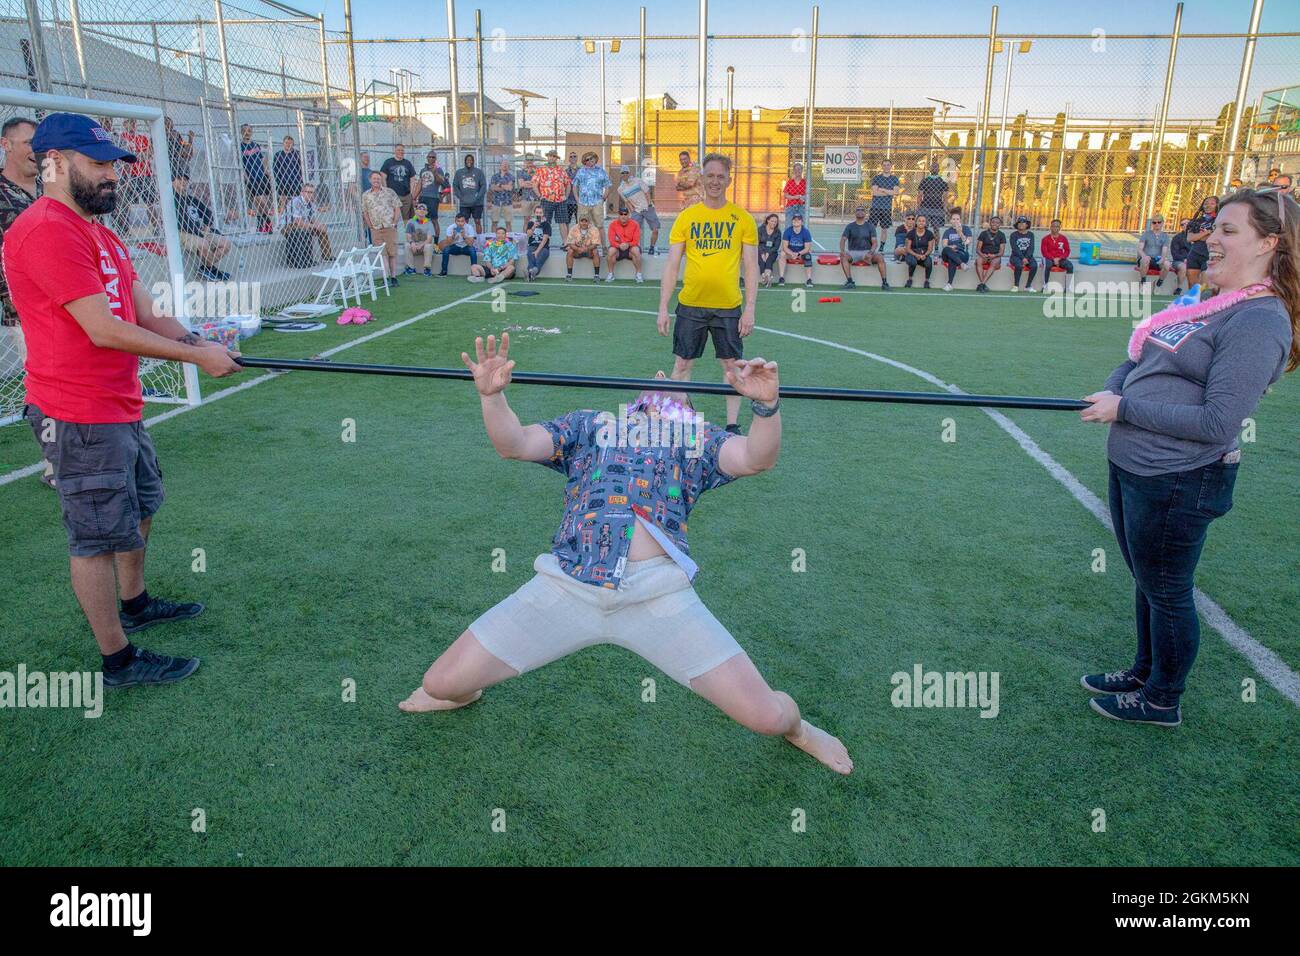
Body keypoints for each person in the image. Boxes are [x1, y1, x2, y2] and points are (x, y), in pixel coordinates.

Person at [397, 332, 852, 775]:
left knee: (769, 718)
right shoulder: (592, 425)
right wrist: (492, 397)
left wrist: (766, 406)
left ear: (689, 409)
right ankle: (468, 689)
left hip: (658, 595)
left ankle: (800, 729)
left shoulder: (694, 440)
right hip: (567, 583)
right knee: (440, 684)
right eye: (659, 375)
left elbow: (756, 458)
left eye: (678, 387)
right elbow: (512, 444)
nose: (664, 378)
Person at [3, 113, 243, 690]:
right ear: (55, 163)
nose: (112, 175)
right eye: (98, 163)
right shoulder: (45, 230)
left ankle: (135, 602)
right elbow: (102, 329)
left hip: (119, 403)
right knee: (95, 538)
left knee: (140, 507)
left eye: (114, 163)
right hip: (75, 411)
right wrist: (195, 359)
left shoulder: (101, 233)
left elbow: (143, 313)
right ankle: (118, 661)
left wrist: (198, 339)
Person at [1078, 186, 1297, 726]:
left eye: (1228, 230)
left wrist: (1125, 407)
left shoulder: (1259, 319)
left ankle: (1161, 699)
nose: (1211, 240)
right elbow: (1141, 357)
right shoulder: (1209, 301)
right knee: (1147, 580)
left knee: (1168, 589)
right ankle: (1143, 671)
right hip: (1137, 464)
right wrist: (1118, 390)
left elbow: (1219, 422)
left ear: (1269, 243)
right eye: (1212, 228)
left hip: (1180, 478)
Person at [658, 152, 758, 433]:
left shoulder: (743, 219)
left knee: (731, 366)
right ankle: (678, 421)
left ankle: (732, 426)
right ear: (702, 178)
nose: (715, 181)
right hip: (691, 305)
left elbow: (750, 267)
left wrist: (749, 308)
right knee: (682, 363)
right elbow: (672, 265)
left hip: (728, 307)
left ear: (729, 180)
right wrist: (663, 306)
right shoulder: (686, 218)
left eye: (721, 177)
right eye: (710, 176)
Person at [1, 116, 40, 328]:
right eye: (29, 143)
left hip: (69, 296)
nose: (37, 149)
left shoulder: (54, 189)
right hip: (25, 310)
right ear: (5, 144)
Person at [174, 173, 231, 281]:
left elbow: (207, 213)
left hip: (199, 231)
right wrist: (199, 232)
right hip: (183, 233)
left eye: (185, 179)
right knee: (203, 243)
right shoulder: (172, 199)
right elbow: (182, 223)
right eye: (179, 179)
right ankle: (211, 270)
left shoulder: (191, 199)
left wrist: (207, 226)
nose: (183, 182)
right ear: (173, 182)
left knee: (225, 244)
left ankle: (207, 268)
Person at [362, 170, 402, 283]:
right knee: (383, 254)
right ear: (370, 180)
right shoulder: (366, 195)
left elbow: (397, 208)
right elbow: (365, 212)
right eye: (374, 179)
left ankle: (393, 277)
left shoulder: (390, 192)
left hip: (389, 227)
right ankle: (386, 277)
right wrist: (370, 226)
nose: (376, 181)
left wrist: (394, 223)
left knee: (392, 252)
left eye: (378, 179)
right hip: (376, 229)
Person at [282, 181, 333, 264]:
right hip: (288, 226)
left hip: (303, 225)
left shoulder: (311, 204)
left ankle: (327, 256)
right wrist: (314, 226)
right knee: (305, 229)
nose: (310, 194)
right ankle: (308, 260)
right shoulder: (296, 202)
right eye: (308, 192)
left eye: (312, 192)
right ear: (302, 192)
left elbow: (312, 220)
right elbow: (297, 222)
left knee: (322, 230)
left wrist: (320, 225)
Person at [839, 203, 887, 289]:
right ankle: (850, 282)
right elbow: (843, 240)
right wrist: (842, 251)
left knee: (880, 257)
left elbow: (875, 243)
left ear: (865, 213)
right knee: (843, 257)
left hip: (867, 252)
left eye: (862, 210)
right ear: (855, 213)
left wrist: (871, 252)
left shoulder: (870, 226)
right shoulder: (850, 226)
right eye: (858, 210)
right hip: (853, 252)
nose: (860, 211)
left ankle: (885, 283)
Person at [237, 124, 273, 234]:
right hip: (252, 178)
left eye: (249, 131)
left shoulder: (256, 145)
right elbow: (240, 164)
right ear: (241, 132)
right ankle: (268, 223)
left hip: (263, 176)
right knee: (260, 202)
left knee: (262, 204)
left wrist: (267, 170)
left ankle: (261, 226)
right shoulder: (240, 146)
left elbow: (262, 161)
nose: (247, 133)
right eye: (245, 131)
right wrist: (246, 177)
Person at [616, 165, 660, 253]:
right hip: (636, 211)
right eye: (622, 173)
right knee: (632, 231)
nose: (624, 174)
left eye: (626, 172)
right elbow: (627, 202)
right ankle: (635, 248)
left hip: (648, 208)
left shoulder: (638, 181)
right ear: (620, 174)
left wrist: (648, 205)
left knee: (655, 229)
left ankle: (652, 248)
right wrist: (632, 210)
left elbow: (647, 192)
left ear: (629, 173)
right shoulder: (620, 189)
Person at [533, 149, 572, 242]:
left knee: (562, 222)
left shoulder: (561, 171)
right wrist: (539, 195)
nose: (552, 158)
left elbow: (568, 184)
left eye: (554, 156)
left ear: (556, 158)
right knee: (545, 221)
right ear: (548, 157)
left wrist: (565, 197)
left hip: (560, 201)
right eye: (550, 156)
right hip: (546, 200)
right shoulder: (541, 170)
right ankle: (543, 242)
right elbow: (534, 184)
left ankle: (565, 243)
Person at [572, 150, 611, 236]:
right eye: (587, 160)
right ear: (584, 162)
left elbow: (607, 185)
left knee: (599, 225)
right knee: (582, 225)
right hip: (583, 203)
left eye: (591, 158)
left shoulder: (601, 171)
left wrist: (604, 198)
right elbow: (574, 186)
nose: (589, 161)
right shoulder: (581, 171)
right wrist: (577, 199)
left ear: (595, 158)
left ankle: (603, 246)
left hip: (597, 202)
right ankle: (583, 246)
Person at [1186, 194, 1218, 289]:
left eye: (1212, 203)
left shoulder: (1218, 220)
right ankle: (1193, 304)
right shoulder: (1197, 221)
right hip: (1194, 253)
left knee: (1204, 286)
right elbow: (1190, 238)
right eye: (1206, 203)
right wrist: (1207, 232)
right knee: (1192, 287)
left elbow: (1213, 238)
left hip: (1209, 254)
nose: (1208, 206)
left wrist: (1198, 237)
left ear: (1217, 206)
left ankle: (1204, 303)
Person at [605, 206, 643, 283]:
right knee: (610, 251)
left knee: (636, 250)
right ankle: (611, 274)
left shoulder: (635, 224)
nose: (623, 216)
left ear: (628, 215)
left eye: (625, 214)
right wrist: (619, 245)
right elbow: (611, 240)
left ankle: (638, 274)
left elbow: (636, 240)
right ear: (618, 215)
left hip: (630, 248)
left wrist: (628, 244)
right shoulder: (612, 224)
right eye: (621, 214)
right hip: (618, 248)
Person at [415, 150, 447, 241]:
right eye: (430, 157)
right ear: (427, 158)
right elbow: (420, 185)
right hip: (423, 197)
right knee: (421, 219)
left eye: (433, 157)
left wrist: (435, 172)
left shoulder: (439, 169)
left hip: (433, 198)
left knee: (434, 220)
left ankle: (436, 244)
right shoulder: (423, 170)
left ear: (436, 159)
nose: (431, 159)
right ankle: (422, 242)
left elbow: (441, 182)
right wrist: (414, 198)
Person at [938, 208, 972, 291]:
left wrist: (960, 232)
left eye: (957, 219)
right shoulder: (947, 231)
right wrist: (951, 247)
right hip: (949, 252)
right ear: (950, 221)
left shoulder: (966, 229)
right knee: (947, 250)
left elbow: (967, 242)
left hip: (961, 254)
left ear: (960, 220)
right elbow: (944, 245)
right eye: (953, 219)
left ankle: (949, 284)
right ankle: (962, 264)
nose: (956, 221)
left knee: (952, 259)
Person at [453, 153, 486, 233]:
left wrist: (477, 197)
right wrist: (461, 197)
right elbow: (455, 186)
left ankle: (479, 240)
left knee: (477, 221)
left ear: (473, 161)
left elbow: (483, 186)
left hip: (477, 203)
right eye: (467, 160)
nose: (469, 161)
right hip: (464, 203)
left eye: (471, 160)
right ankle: (463, 239)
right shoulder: (459, 172)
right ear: (465, 161)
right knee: (463, 222)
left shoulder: (479, 172)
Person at [779, 213, 814, 287]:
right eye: (794, 219)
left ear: (801, 221)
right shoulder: (788, 231)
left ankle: (809, 280)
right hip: (790, 253)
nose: (796, 221)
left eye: (798, 220)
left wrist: (798, 253)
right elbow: (784, 247)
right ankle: (781, 278)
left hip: (801, 254)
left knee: (808, 256)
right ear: (792, 221)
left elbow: (807, 248)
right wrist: (792, 253)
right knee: (782, 254)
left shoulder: (806, 232)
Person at [915, 161, 951, 232]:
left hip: (938, 207)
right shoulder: (925, 180)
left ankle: (936, 243)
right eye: (933, 167)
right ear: (930, 169)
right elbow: (920, 195)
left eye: (936, 167)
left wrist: (945, 208)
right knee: (923, 227)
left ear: (939, 169)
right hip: (925, 207)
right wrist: (918, 207)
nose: (934, 168)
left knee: (936, 228)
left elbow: (945, 197)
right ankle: (925, 242)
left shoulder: (943, 181)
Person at [869, 159, 902, 234]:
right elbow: (875, 193)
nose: (886, 167)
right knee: (871, 228)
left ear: (891, 166)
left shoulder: (894, 179)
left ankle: (881, 246)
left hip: (886, 207)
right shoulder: (876, 178)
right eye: (884, 165)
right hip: (875, 206)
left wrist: (882, 189)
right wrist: (890, 192)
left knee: (884, 229)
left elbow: (896, 192)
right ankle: (871, 244)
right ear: (882, 166)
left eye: (888, 165)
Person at [1136, 217, 1171, 288]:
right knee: (1145, 260)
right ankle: (1143, 281)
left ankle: (1159, 283)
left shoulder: (1165, 236)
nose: (1156, 224)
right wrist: (1144, 256)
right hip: (1146, 258)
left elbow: (1164, 250)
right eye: (1154, 222)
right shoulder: (1146, 234)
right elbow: (1140, 249)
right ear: (1152, 224)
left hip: (1157, 259)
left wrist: (1162, 258)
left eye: (1159, 222)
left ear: (1162, 223)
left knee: (1167, 264)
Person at [564, 214, 602, 281]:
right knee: (570, 251)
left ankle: (597, 275)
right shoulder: (573, 228)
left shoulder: (594, 229)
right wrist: (578, 248)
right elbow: (570, 243)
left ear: (589, 222)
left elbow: (595, 244)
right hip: (577, 251)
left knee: (595, 251)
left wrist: (587, 248)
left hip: (589, 250)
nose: (584, 223)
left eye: (586, 221)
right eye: (582, 221)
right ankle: (569, 275)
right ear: (579, 222)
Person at [1040, 219, 1074, 293]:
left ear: (1059, 228)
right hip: (1048, 258)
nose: (1055, 228)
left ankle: (1068, 288)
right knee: (1047, 265)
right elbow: (1044, 252)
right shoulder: (1045, 239)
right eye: (1054, 226)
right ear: (1050, 227)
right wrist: (1053, 259)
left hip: (1060, 258)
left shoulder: (1063, 238)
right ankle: (1045, 286)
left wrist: (1060, 258)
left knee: (1070, 266)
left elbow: (1067, 250)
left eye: (1057, 226)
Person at [974, 215, 1006, 293]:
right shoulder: (983, 233)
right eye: (993, 222)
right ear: (990, 223)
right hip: (984, 255)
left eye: (997, 222)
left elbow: (1002, 252)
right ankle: (983, 284)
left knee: (994, 262)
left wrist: (994, 255)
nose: (995, 224)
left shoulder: (1002, 235)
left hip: (995, 256)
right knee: (978, 261)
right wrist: (982, 255)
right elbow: (978, 249)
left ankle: (981, 284)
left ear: (1000, 224)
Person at [903, 213, 936, 288]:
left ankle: (927, 281)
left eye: (923, 221)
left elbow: (930, 249)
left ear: (926, 223)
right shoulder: (911, 233)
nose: (921, 222)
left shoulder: (929, 234)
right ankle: (910, 279)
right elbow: (908, 248)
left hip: (924, 255)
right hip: (913, 254)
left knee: (929, 262)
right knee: (912, 262)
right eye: (919, 221)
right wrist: (916, 255)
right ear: (916, 222)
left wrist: (925, 255)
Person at [404, 201, 436, 276]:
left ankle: (427, 269)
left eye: (424, 209)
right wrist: (412, 243)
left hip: (424, 245)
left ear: (426, 212)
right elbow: (408, 236)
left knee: (429, 246)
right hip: (414, 245)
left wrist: (421, 245)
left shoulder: (429, 223)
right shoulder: (411, 222)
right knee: (406, 245)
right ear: (416, 211)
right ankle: (411, 268)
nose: (421, 210)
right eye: (419, 208)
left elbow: (429, 239)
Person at [273, 135, 303, 213]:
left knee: (296, 202)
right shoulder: (278, 155)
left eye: (290, 143)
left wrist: (300, 180)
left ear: (293, 144)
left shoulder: (297, 154)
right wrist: (279, 181)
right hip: (283, 182)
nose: (288, 145)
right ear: (283, 143)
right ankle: (282, 223)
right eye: (286, 143)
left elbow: (301, 168)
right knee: (283, 203)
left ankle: (295, 221)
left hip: (295, 182)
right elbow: (275, 169)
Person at [1007, 216, 1037, 292]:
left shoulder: (1031, 234)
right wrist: (1023, 258)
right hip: (1016, 256)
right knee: (1019, 265)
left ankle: (1028, 286)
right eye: (1019, 222)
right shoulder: (1013, 235)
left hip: (1028, 256)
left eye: (1023, 222)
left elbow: (1031, 248)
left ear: (1027, 225)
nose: (1021, 224)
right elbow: (1015, 248)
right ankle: (1016, 286)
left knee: (1034, 266)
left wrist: (1026, 258)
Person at [523, 204, 551, 281]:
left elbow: (545, 239)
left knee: (541, 256)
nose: (538, 214)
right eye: (537, 212)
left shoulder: (546, 224)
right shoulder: (531, 223)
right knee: (529, 253)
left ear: (543, 214)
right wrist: (533, 227)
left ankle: (530, 272)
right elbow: (528, 235)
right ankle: (532, 272)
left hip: (543, 247)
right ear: (534, 213)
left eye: (540, 213)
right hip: (532, 245)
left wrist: (537, 251)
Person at [488, 160, 516, 233]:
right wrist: (505, 186)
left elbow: (510, 188)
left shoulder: (511, 177)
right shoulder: (494, 176)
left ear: (509, 167)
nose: (505, 166)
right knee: (494, 222)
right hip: (496, 202)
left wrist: (499, 185)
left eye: (506, 165)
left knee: (508, 223)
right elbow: (493, 188)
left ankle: (509, 241)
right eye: (503, 165)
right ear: (500, 166)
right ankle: (493, 241)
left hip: (507, 203)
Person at [756, 212, 782, 288]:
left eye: (775, 222)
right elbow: (757, 243)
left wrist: (768, 253)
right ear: (768, 220)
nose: (774, 223)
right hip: (760, 250)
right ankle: (766, 277)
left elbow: (777, 246)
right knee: (761, 259)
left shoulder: (778, 232)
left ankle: (766, 277)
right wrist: (762, 253)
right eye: (772, 221)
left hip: (772, 251)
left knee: (769, 260)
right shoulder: (760, 229)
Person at [163, 117, 193, 181]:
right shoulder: (160, 136)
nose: (170, 126)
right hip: (168, 166)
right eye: (167, 124)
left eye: (171, 124)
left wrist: (190, 140)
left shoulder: (176, 134)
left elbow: (183, 145)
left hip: (180, 165)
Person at [1169, 218, 1192, 297]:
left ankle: (1199, 290)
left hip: (1194, 260)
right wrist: (1184, 259)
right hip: (1179, 261)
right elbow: (1174, 253)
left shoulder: (1198, 237)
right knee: (1183, 267)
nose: (1185, 225)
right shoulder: (1177, 238)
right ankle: (1179, 288)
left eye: (1187, 223)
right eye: (1182, 224)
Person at [782, 162, 808, 227]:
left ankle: (803, 237)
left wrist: (803, 198)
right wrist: (795, 197)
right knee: (788, 225)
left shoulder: (805, 182)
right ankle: (788, 237)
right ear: (793, 171)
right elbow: (785, 195)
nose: (797, 171)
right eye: (796, 169)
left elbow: (808, 195)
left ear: (802, 170)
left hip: (802, 206)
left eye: (799, 169)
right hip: (791, 205)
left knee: (803, 225)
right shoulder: (790, 182)